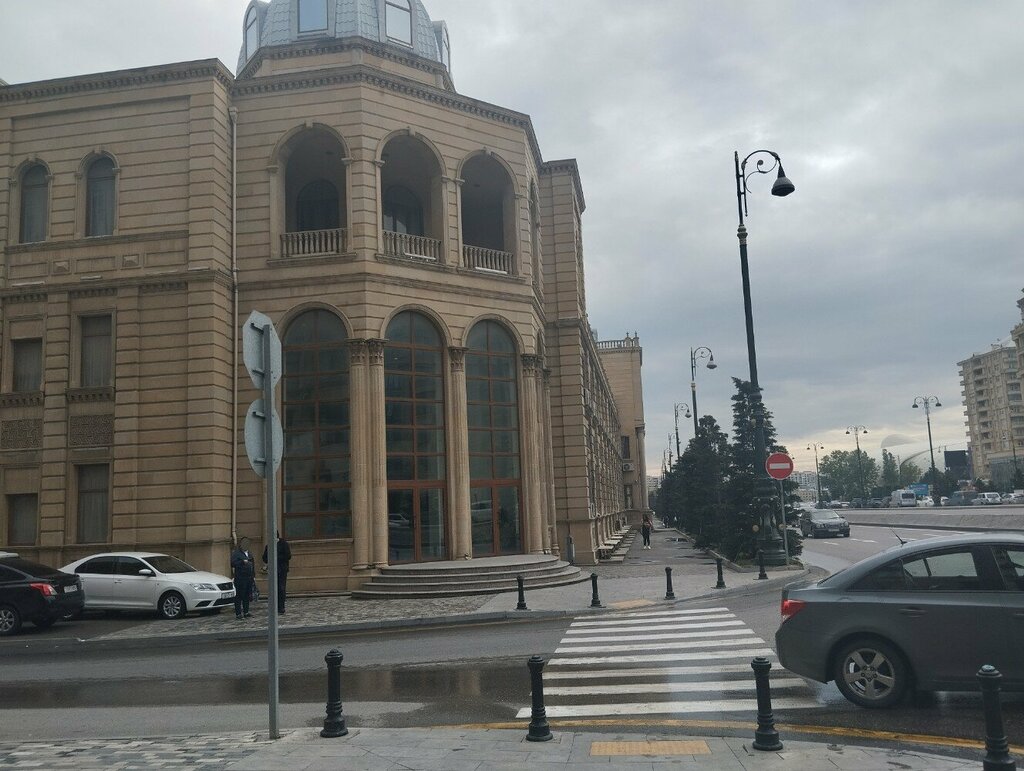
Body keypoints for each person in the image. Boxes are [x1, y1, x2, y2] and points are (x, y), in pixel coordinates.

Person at [262, 531, 292, 615]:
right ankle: (274, 607)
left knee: (281, 588)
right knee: (273, 589)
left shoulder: (283, 544)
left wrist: (276, 557)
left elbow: (288, 556)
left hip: (282, 570)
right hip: (272, 571)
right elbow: (264, 558)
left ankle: (281, 607)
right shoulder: (269, 546)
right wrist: (269, 557)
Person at [231, 537, 256, 619]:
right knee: (239, 596)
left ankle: (246, 611)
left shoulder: (249, 553)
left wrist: (253, 576)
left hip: (249, 577)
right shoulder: (237, 553)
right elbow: (233, 563)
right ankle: (238, 613)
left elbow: (252, 565)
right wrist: (242, 562)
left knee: (247, 595)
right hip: (240, 578)